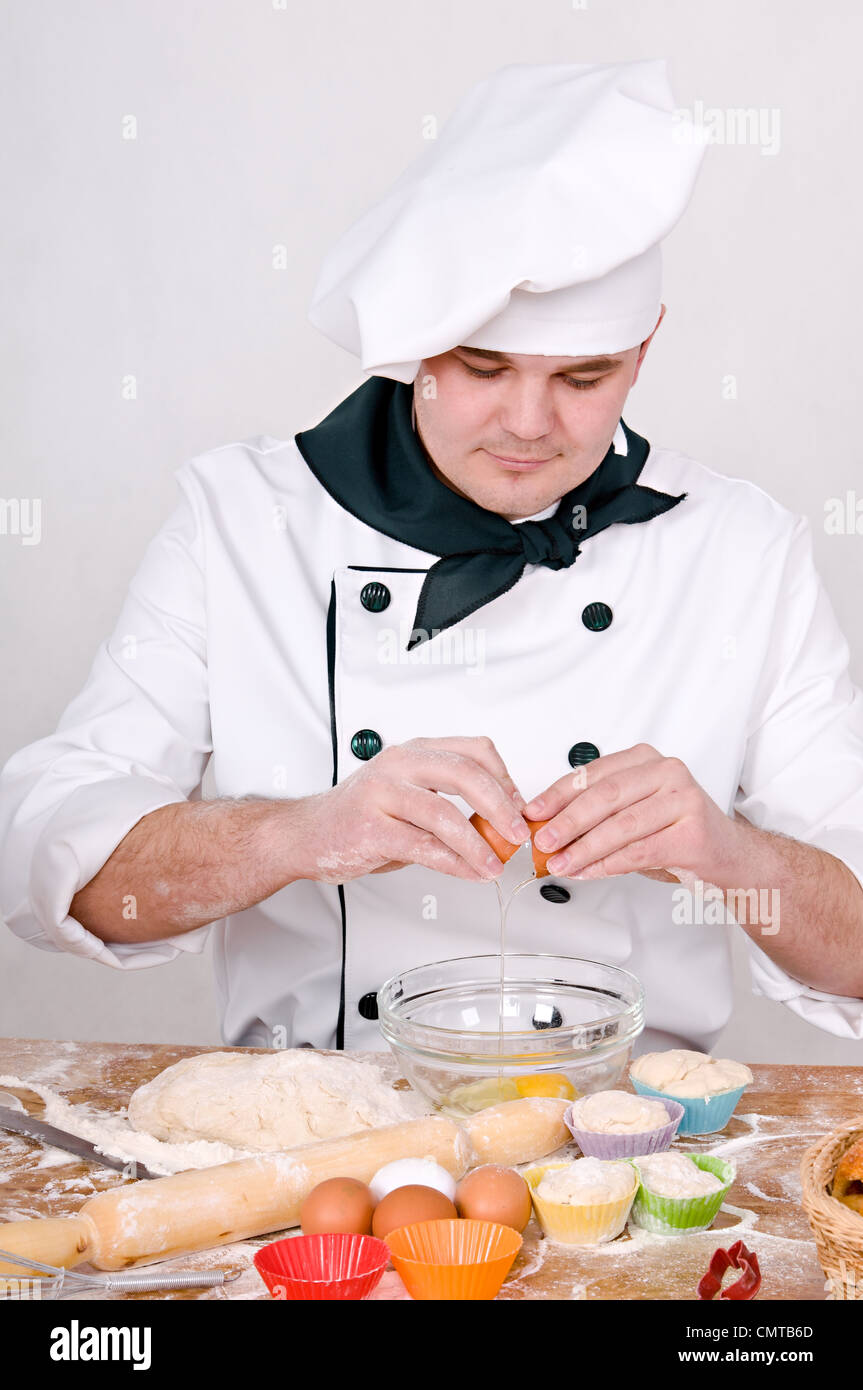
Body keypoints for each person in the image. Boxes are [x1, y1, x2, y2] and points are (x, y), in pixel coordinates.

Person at [2, 60, 862, 1055]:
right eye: (481, 368)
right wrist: (295, 835)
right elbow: (49, 868)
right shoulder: (239, 523)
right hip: (318, 1132)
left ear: (646, 344)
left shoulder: (740, 550)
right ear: (415, 349)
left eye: (584, 376)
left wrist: (726, 853)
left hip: (628, 1146)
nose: (530, 424)